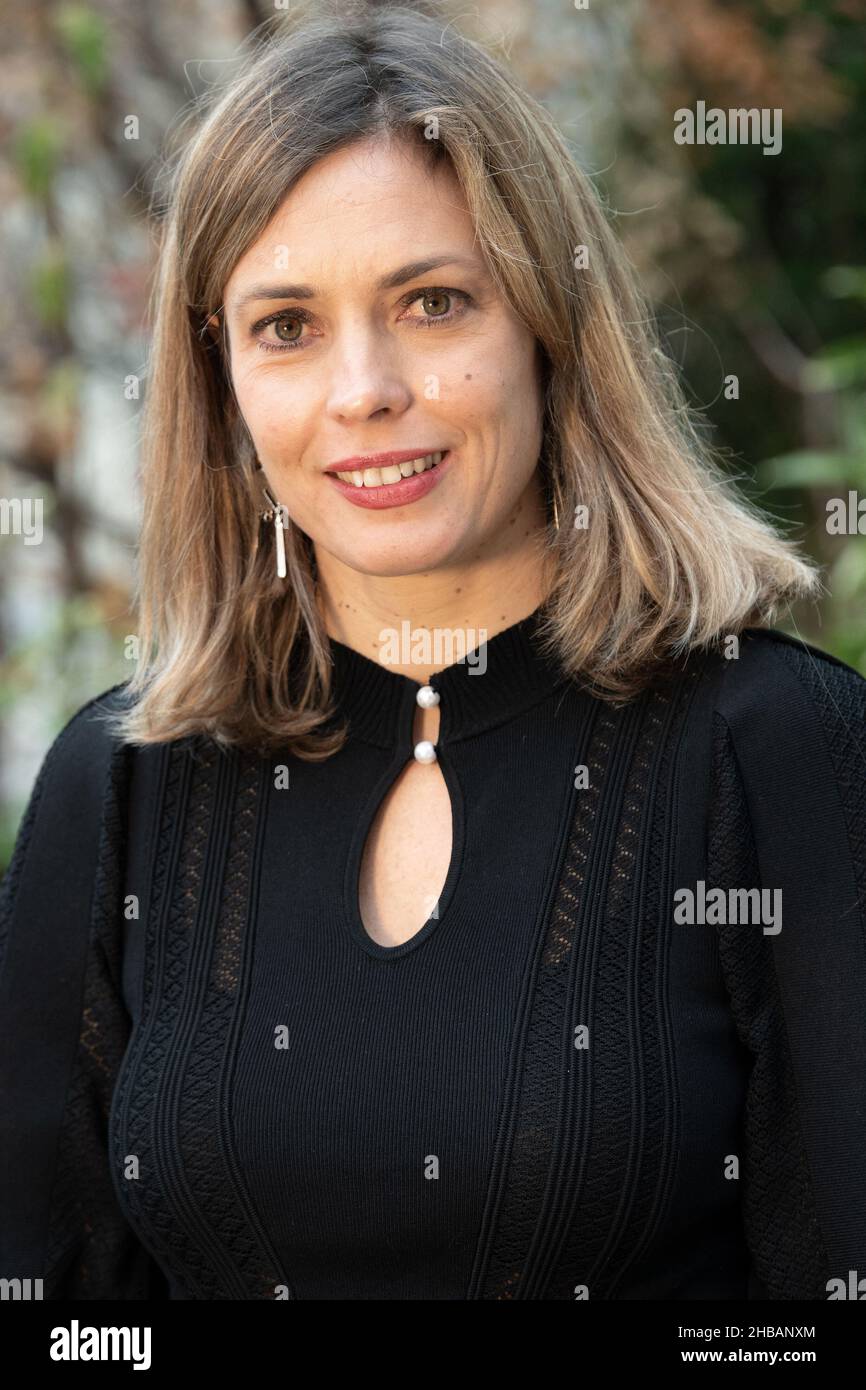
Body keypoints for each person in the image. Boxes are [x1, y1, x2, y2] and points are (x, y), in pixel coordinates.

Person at [1, 2, 865, 1302]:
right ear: (221, 382)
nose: (364, 389)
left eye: (433, 301)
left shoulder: (780, 753)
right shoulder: (120, 787)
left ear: (546, 326)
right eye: (286, 324)